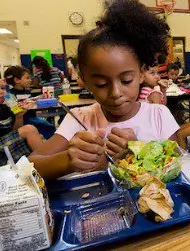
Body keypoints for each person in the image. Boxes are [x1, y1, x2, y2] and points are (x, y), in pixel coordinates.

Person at [28, 0, 179, 179]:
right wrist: (68, 160)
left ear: (141, 73)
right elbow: (28, 168)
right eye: (101, 84)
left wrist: (137, 151)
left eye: (126, 80)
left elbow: (176, 164)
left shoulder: (159, 115)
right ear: (84, 81)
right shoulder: (79, 119)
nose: (115, 92)